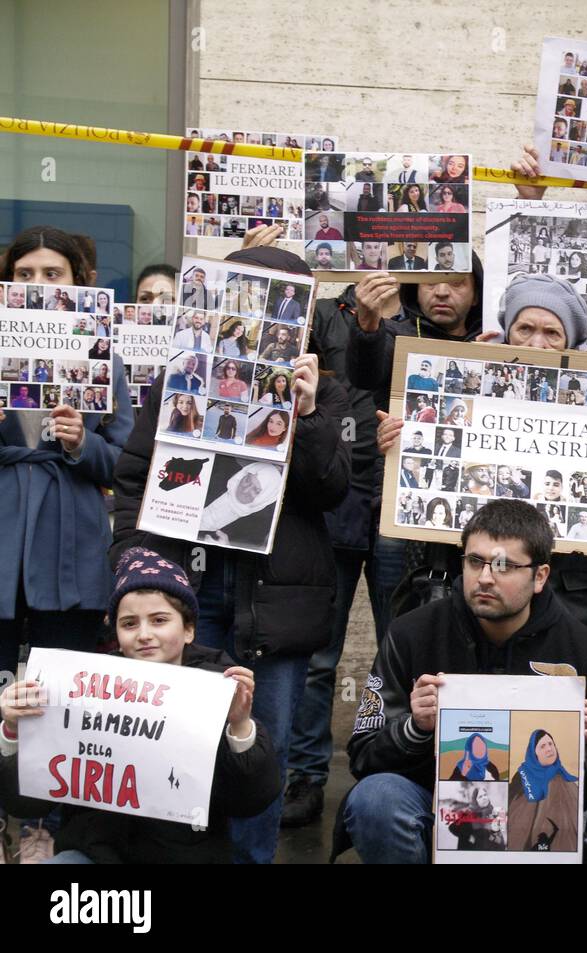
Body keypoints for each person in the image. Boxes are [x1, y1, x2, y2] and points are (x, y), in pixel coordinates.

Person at [112, 245, 351, 865]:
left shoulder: (320, 390)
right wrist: (134, 570)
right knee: (176, 746)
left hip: (277, 601)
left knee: (257, 754)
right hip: (189, 592)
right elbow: (138, 480)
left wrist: (308, 413)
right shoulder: (181, 377)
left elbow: (331, 490)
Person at [342, 501, 587, 863]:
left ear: (541, 576)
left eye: (504, 566)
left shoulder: (581, 650)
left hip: (529, 814)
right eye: (474, 562)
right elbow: (362, 757)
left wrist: (571, 751)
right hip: (435, 807)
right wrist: (415, 728)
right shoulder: (411, 633)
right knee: (376, 799)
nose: (485, 577)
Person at [0, 548, 278, 863]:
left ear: (188, 630)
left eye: (159, 620)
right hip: (95, 853)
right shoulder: (80, 690)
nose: (144, 635)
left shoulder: (217, 692)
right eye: (129, 624)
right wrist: (12, 731)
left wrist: (240, 726)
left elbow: (253, 800)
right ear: (116, 634)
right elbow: (24, 805)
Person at [0, 225, 134, 862]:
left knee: (61, 687)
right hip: (4, 534)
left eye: (52, 274)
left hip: (71, 543)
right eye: (25, 274)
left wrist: (83, 444)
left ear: (80, 280)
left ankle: (48, 824)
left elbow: (126, 462)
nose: (37, 285)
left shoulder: (107, 354)